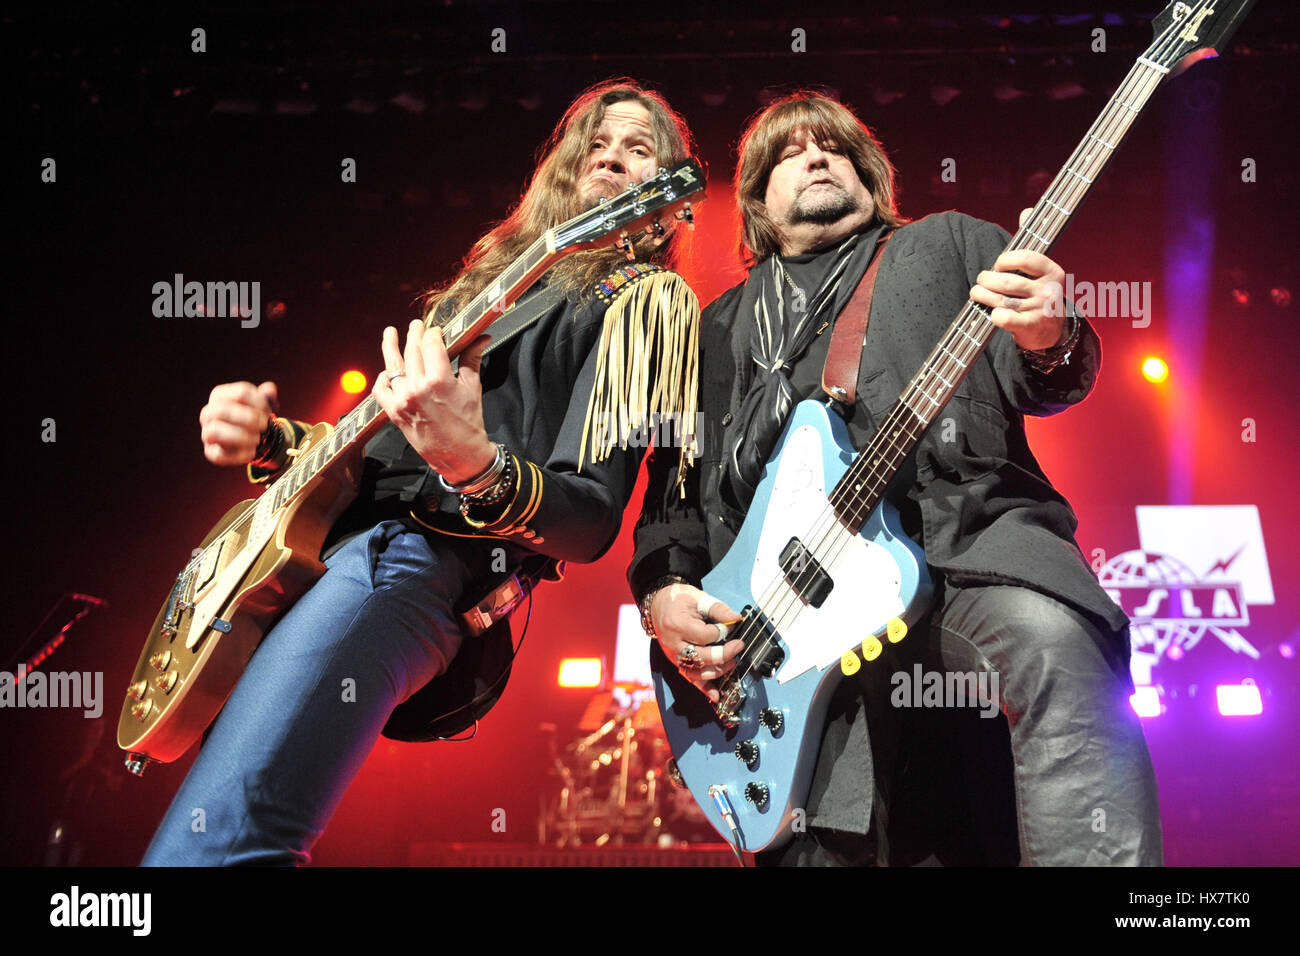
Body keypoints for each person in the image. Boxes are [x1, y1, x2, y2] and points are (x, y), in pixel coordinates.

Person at [142, 79, 701, 865]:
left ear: (670, 200)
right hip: (331, 554)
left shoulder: (646, 299)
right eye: (595, 145)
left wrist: (475, 466)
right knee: (215, 832)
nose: (609, 158)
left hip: (413, 563)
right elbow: (373, 452)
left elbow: (589, 521)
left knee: (226, 840)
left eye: (638, 150)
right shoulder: (487, 293)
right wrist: (271, 439)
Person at [629, 91, 1163, 866]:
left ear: (870, 176)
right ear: (756, 201)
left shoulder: (949, 245)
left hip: (959, 561)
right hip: (778, 635)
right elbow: (673, 491)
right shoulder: (717, 327)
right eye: (789, 154)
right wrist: (662, 592)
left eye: (835, 148)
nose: (816, 157)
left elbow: (1042, 377)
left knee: (1053, 644)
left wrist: (1051, 332)